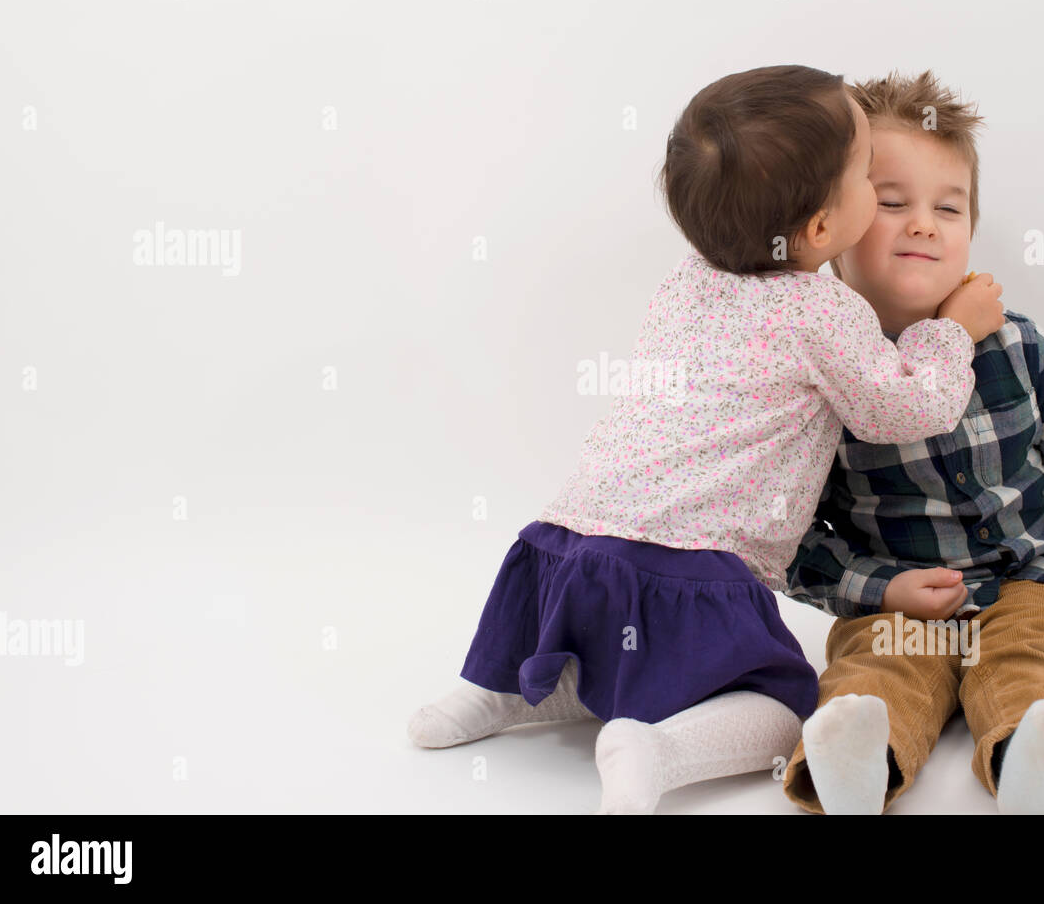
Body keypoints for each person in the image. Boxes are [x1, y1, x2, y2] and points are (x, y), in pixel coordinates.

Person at [409, 64, 1005, 814]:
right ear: (821, 230)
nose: (875, 183)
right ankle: (656, 751)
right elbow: (903, 409)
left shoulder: (688, 276)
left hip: (567, 544)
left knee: (600, 648)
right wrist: (951, 333)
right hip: (686, 570)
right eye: (868, 176)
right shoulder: (824, 311)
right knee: (787, 705)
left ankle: (494, 690)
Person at [779, 71, 1044, 815]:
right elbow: (787, 534)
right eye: (891, 203)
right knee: (877, 667)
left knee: (1033, 651)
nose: (924, 224)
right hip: (899, 604)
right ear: (834, 229)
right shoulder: (821, 379)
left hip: (1029, 586)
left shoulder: (1019, 349)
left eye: (947, 208)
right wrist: (878, 587)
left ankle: (1032, 753)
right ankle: (856, 759)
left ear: (970, 231)